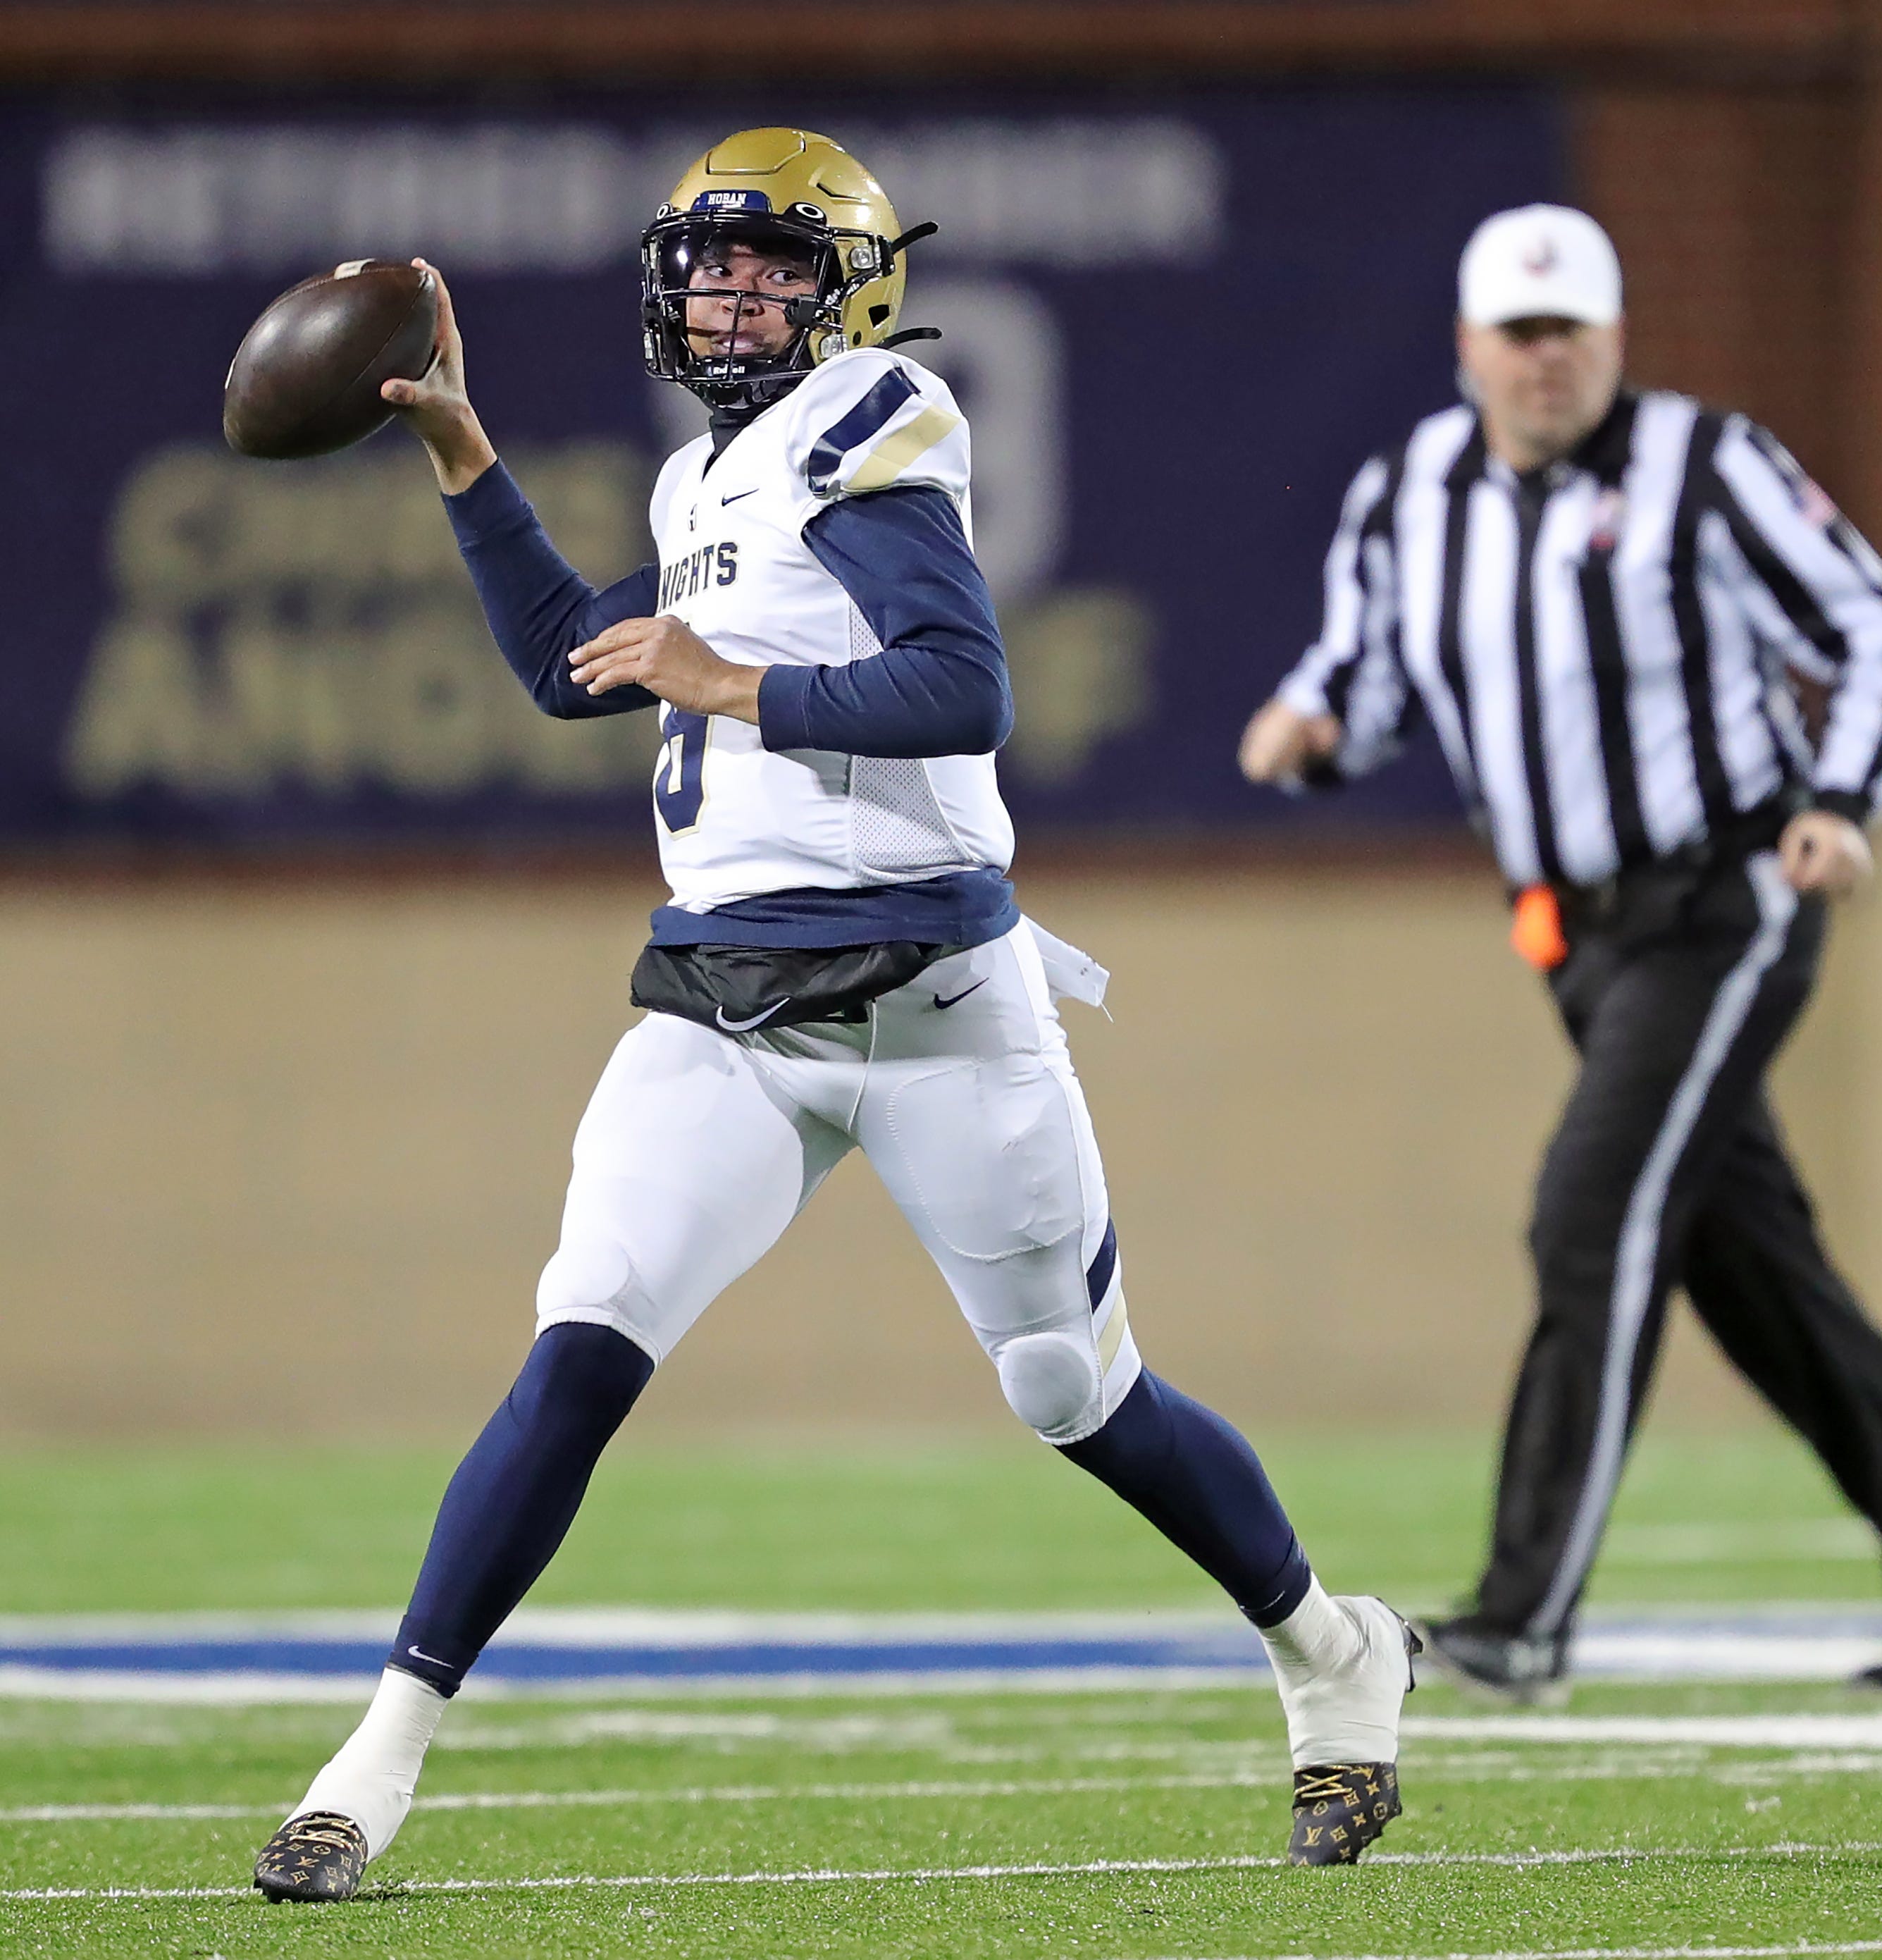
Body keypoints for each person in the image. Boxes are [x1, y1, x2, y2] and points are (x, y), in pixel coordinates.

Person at [251, 128, 1413, 1904]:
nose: (731, 290)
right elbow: (576, 659)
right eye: (711, 262)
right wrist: (459, 447)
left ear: (848, 291)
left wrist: (732, 680)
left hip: (936, 1005)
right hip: (723, 1006)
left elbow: (964, 687)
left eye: (773, 264)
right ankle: (374, 1758)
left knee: (1070, 1390)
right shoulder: (703, 475)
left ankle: (1332, 1648)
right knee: (584, 1338)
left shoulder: (874, 423)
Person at [1239, 203, 1882, 1706]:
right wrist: (1310, 729)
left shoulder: (1709, 464)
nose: (1547, 360)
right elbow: (1367, 667)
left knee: (1590, 1211)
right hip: (1576, 938)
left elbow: (1876, 627)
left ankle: (1525, 1614)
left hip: (1725, 901)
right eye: (1521, 332)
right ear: (1471, 344)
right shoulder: (1413, 488)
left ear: (1613, 338)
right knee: (1751, 1266)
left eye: (1573, 332)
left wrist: (1841, 802)